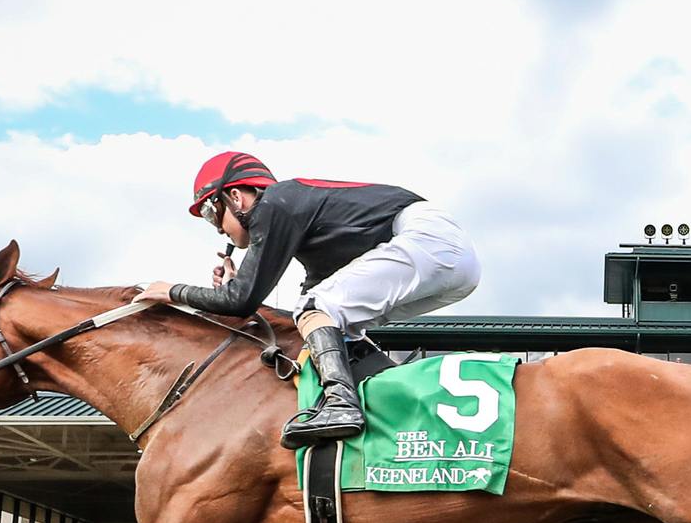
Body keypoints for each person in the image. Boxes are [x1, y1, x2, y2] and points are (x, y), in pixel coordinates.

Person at [137, 150, 480, 445]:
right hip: (453, 264)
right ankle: (393, 398)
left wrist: (174, 292)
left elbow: (242, 301)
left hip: (428, 238)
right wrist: (234, 288)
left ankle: (341, 405)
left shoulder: (275, 203)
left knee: (318, 306)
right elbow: (299, 319)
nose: (217, 228)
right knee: (328, 319)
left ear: (236, 197)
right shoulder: (304, 223)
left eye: (213, 214)